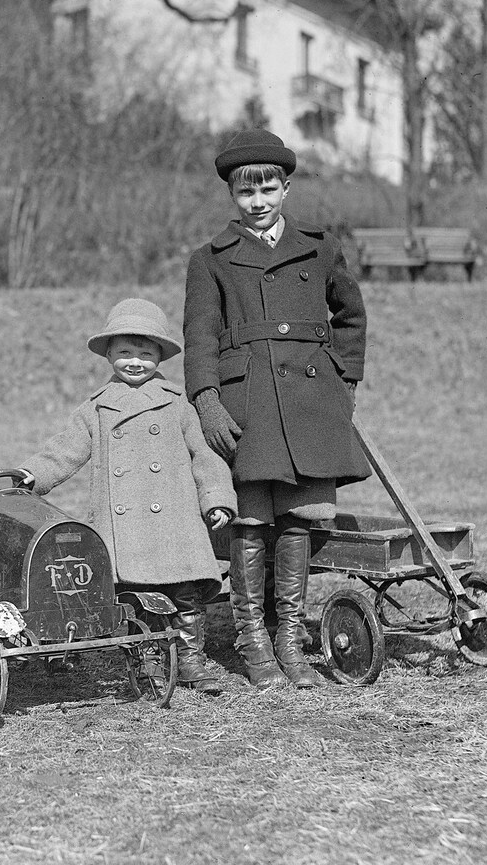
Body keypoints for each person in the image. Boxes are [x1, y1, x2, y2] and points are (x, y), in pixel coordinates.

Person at [183, 129, 370, 689]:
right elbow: (200, 337)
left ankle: (289, 638)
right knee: (250, 518)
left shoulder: (321, 246)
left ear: (286, 188)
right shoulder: (209, 260)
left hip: (311, 403)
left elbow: (351, 315)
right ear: (233, 198)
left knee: (299, 517)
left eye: (267, 189)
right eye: (246, 193)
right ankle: (253, 641)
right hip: (247, 404)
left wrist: (344, 379)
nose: (258, 201)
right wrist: (207, 399)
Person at [16, 298, 237, 694]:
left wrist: (216, 498)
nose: (135, 362)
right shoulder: (96, 409)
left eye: (145, 353)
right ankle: (149, 660)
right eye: (124, 353)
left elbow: (205, 455)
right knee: (138, 599)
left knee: (185, 595)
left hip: (176, 520)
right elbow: (64, 450)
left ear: (160, 357)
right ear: (108, 356)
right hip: (125, 529)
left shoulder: (178, 405)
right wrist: (33, 474)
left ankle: (189, 660)